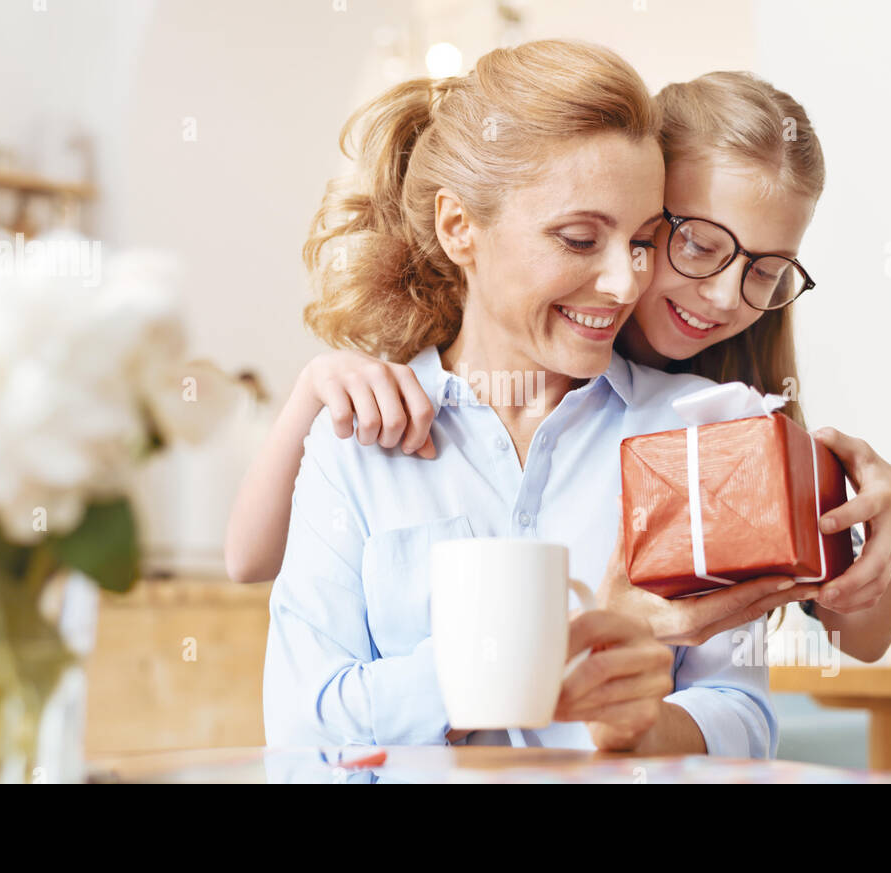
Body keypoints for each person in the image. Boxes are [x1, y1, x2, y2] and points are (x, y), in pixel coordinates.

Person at [229, 70, 891, 665]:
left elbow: (856, 636)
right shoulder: (468, 365)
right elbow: (250, 559)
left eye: (766, 271)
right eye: (698, 245)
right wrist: (312, 392)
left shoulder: (726, 413)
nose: (723, 296)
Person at [256, 40, 780, 755]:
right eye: (578, 238)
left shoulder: (699, 433)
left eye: (643, 241)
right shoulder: (358, 438)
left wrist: (645, 727)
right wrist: (501, 663)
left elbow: (742, 712)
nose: (626, 283)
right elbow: (300, 729)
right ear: (458, 227)